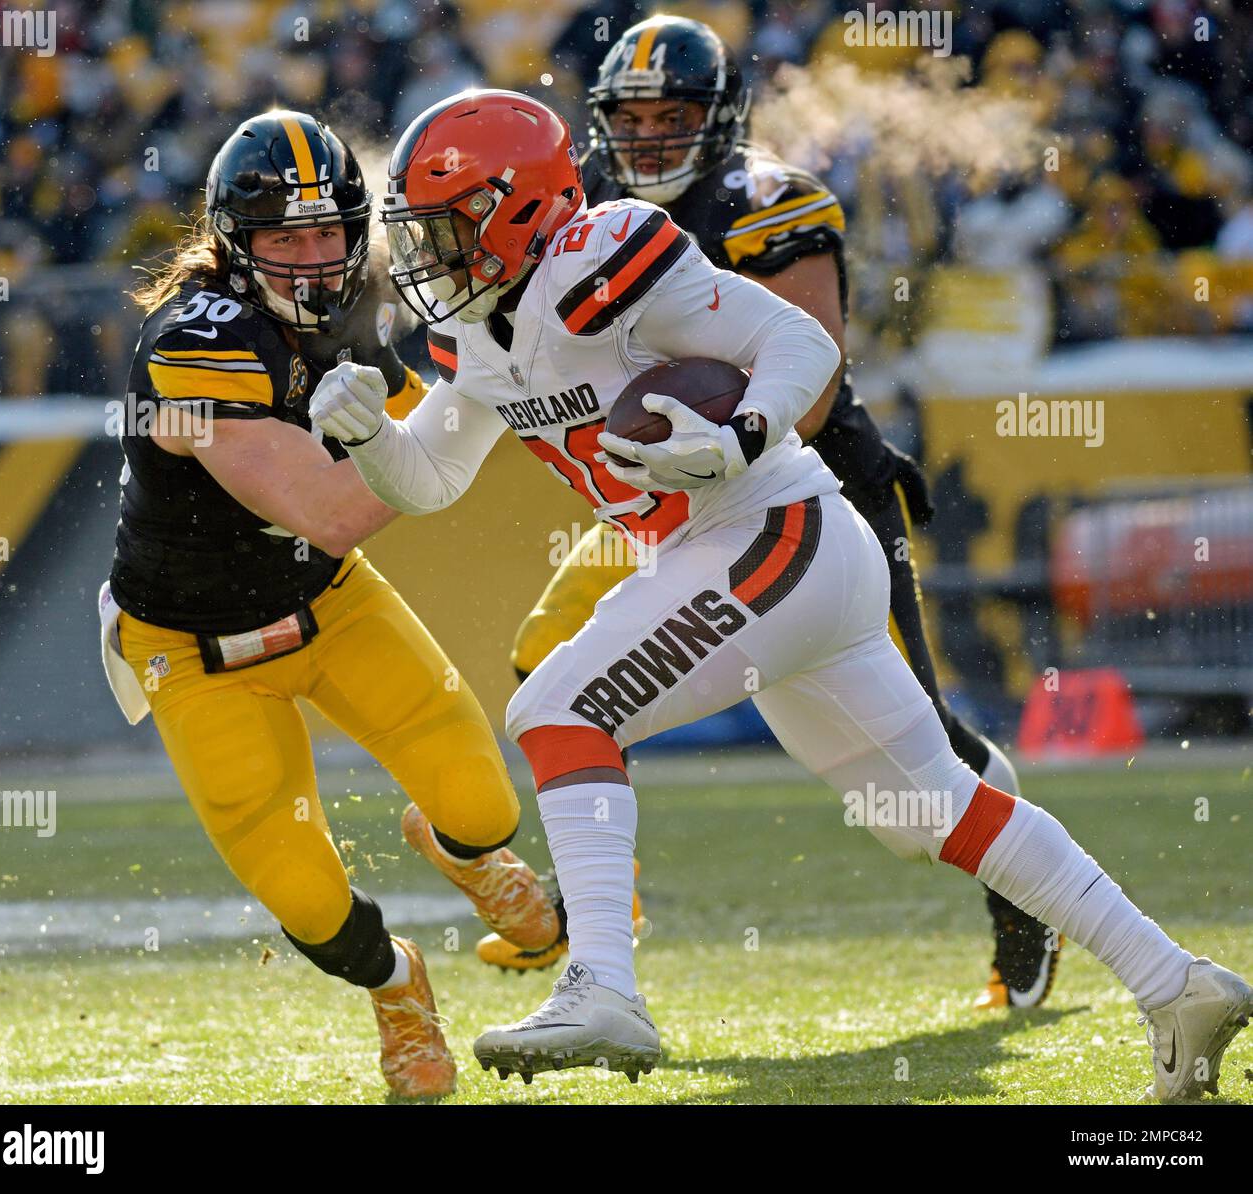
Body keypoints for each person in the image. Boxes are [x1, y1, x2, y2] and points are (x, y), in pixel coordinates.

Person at [310, 89, 1252, 1100]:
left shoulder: (605, 256)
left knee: (558, 705)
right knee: (930, 809)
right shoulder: (479, 334)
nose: (428, 256)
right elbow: (432, 480)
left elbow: (798, 343)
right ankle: (1179, 982)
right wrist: (367, 435)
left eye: (446, 227)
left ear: (518, 206)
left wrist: (744, 430)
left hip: (772, 530)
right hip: (746, 559)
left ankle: (602, 988)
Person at [482, 14, 1061, 1011]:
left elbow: (817, 369)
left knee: (912, 743)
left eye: (676, 115)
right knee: (546, 660)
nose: (653, 135)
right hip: (661, 499)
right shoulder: (590, 215)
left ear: (719, 118)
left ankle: (1025, 899)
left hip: (803, 493)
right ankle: (598, 910)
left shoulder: (762, 199)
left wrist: (722, 430)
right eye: (635, 115)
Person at [101, 109, 560, 1100]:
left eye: (327, 233)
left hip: (326, 603)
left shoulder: (356, 314)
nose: (312, 259)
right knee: (309, 905)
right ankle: (399, 988)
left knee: (482, 802)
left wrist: (476, 389)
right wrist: (478, 401)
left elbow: (390, 461)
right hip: (192, 650)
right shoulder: (194, 343)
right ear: (234, 240)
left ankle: (458, 851)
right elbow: (327, 508)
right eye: (283, 237)